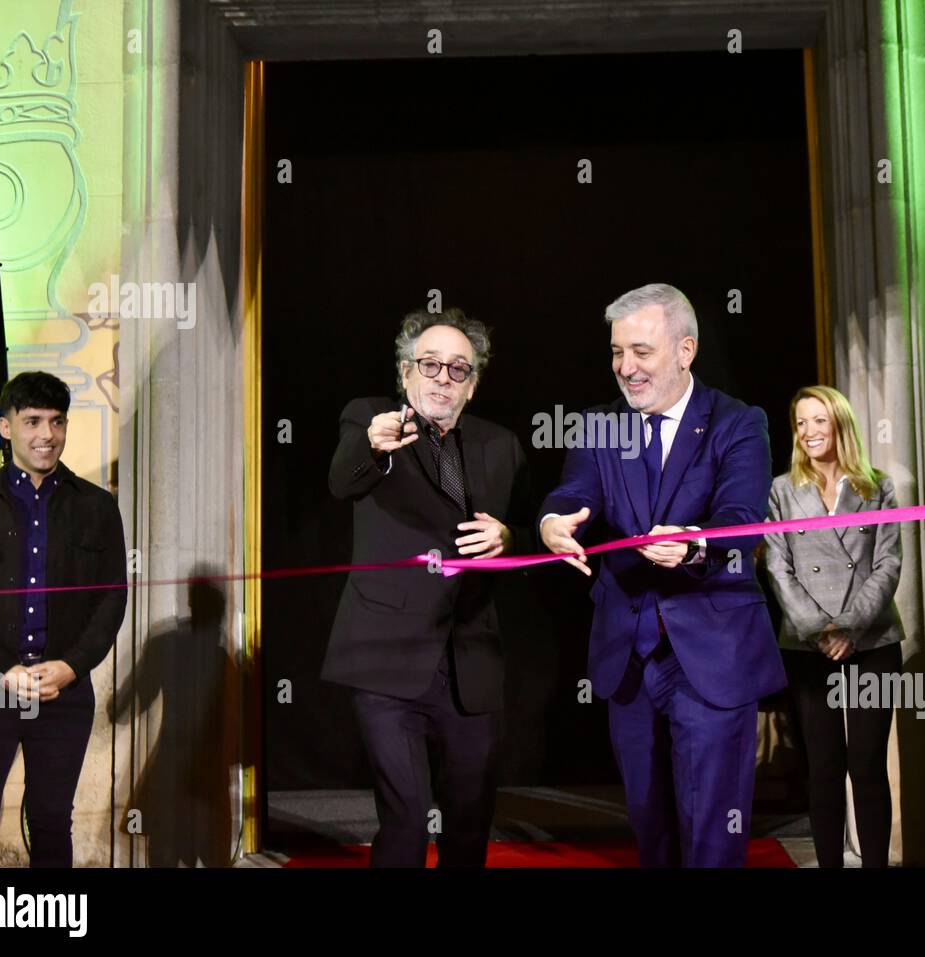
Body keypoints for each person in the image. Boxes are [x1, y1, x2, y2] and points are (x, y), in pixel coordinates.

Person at [539, 283, 785, 867]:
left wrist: (696, 544)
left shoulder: (738, 422)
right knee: (651, 828)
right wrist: (554, 520)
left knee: (711, 833)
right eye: (618, 352)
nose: (626, 368)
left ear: (685, 349)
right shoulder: (598, 424)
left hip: (710, 653)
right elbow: (575, 491)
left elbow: (742, 520)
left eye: (641, 352)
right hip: (626, 656)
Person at [323, 308, 529, 867]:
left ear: (473, 383)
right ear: (406, 371)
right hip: (386, 659)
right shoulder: (371, 419)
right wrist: (371, 444)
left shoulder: (501, 445)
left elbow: (534, 531)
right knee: (407, 819)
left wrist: (509, 538)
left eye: (458, 368)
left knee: (468, 822)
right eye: (430, 364)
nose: (443, 377)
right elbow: (344, 479)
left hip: (470, 661)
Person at [0, 371, 127, 867]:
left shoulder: (98, 507)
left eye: (57, 421)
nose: (47, 434)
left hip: (62, 690)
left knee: (49, 821)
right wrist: (4, 669)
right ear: (4, 427)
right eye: (32, 421)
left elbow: (110, 599)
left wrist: (71, 666)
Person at [763, 385, 903, 867]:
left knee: (866, 766)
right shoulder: (781, 490)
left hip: (873, 640)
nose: (808, 432)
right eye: (800, 423)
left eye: (818, 421)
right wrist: (819, 630)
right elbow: (778, 569)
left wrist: (850, 628)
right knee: (823, 767)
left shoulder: (878, 486)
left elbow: (888, 564)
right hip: (809, 645)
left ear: (839, 424)